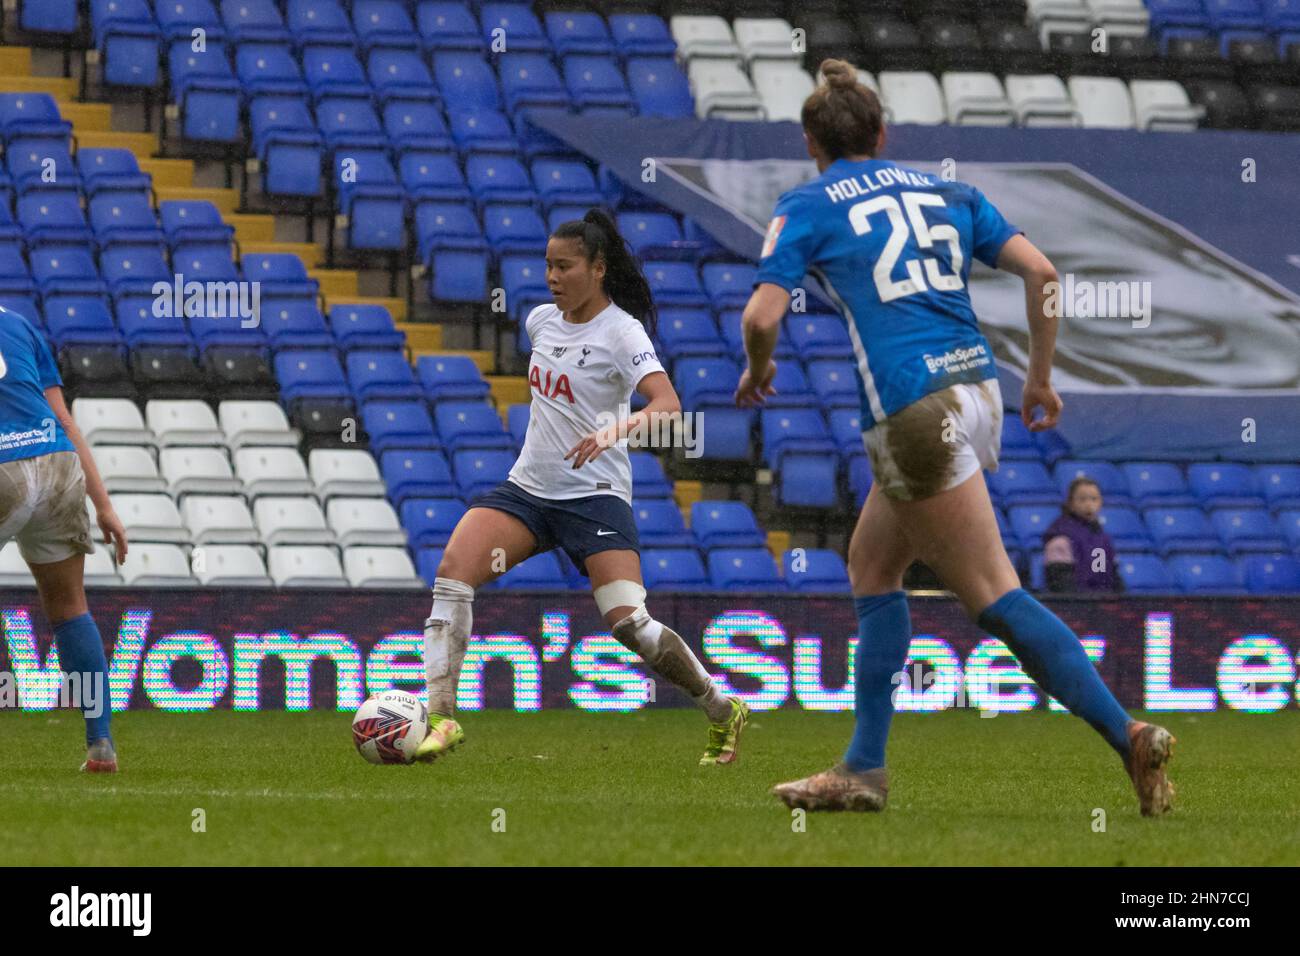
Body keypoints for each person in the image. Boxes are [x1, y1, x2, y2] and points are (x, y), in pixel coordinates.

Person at [736, 60, 1175, 815]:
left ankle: (1126, 732)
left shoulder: (808, 203)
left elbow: (760, 317)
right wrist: (1040, 378)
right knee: (873, 566)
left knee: (993, 594)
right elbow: (1041, 274)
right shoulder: (950, 192)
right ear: (882, 132)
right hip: (978, 390)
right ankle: (862, 770)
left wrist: (758, 370)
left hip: (911, 408)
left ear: (813, 142)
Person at [418, 209, 749, 766]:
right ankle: (442, 717)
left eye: (564, 266)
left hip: (594, 497)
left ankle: (721, 708)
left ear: (597, 269)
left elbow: (667, 404)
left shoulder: (622, 332)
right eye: (547, 265)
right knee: (454, 572)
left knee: (630, 625)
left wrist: (616, 428)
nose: (551, 276)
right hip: (528, 491)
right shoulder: (541, 322)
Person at [0, 307, 129, 771]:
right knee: (70, 608)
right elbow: (65, 421)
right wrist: (105, 505)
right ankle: (101, 743)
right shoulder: (18, 323)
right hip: (56, 459)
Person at [1043, 477, 1125, 593]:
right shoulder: (1060, 539)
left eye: (1094, 499)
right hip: (1076, 606)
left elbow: (1104, 576)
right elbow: (1061, 584)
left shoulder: (1101, 539)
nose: (1089, 504)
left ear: (1101, 502)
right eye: (1082, 499)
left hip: (1101, 606)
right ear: (1070, 503)